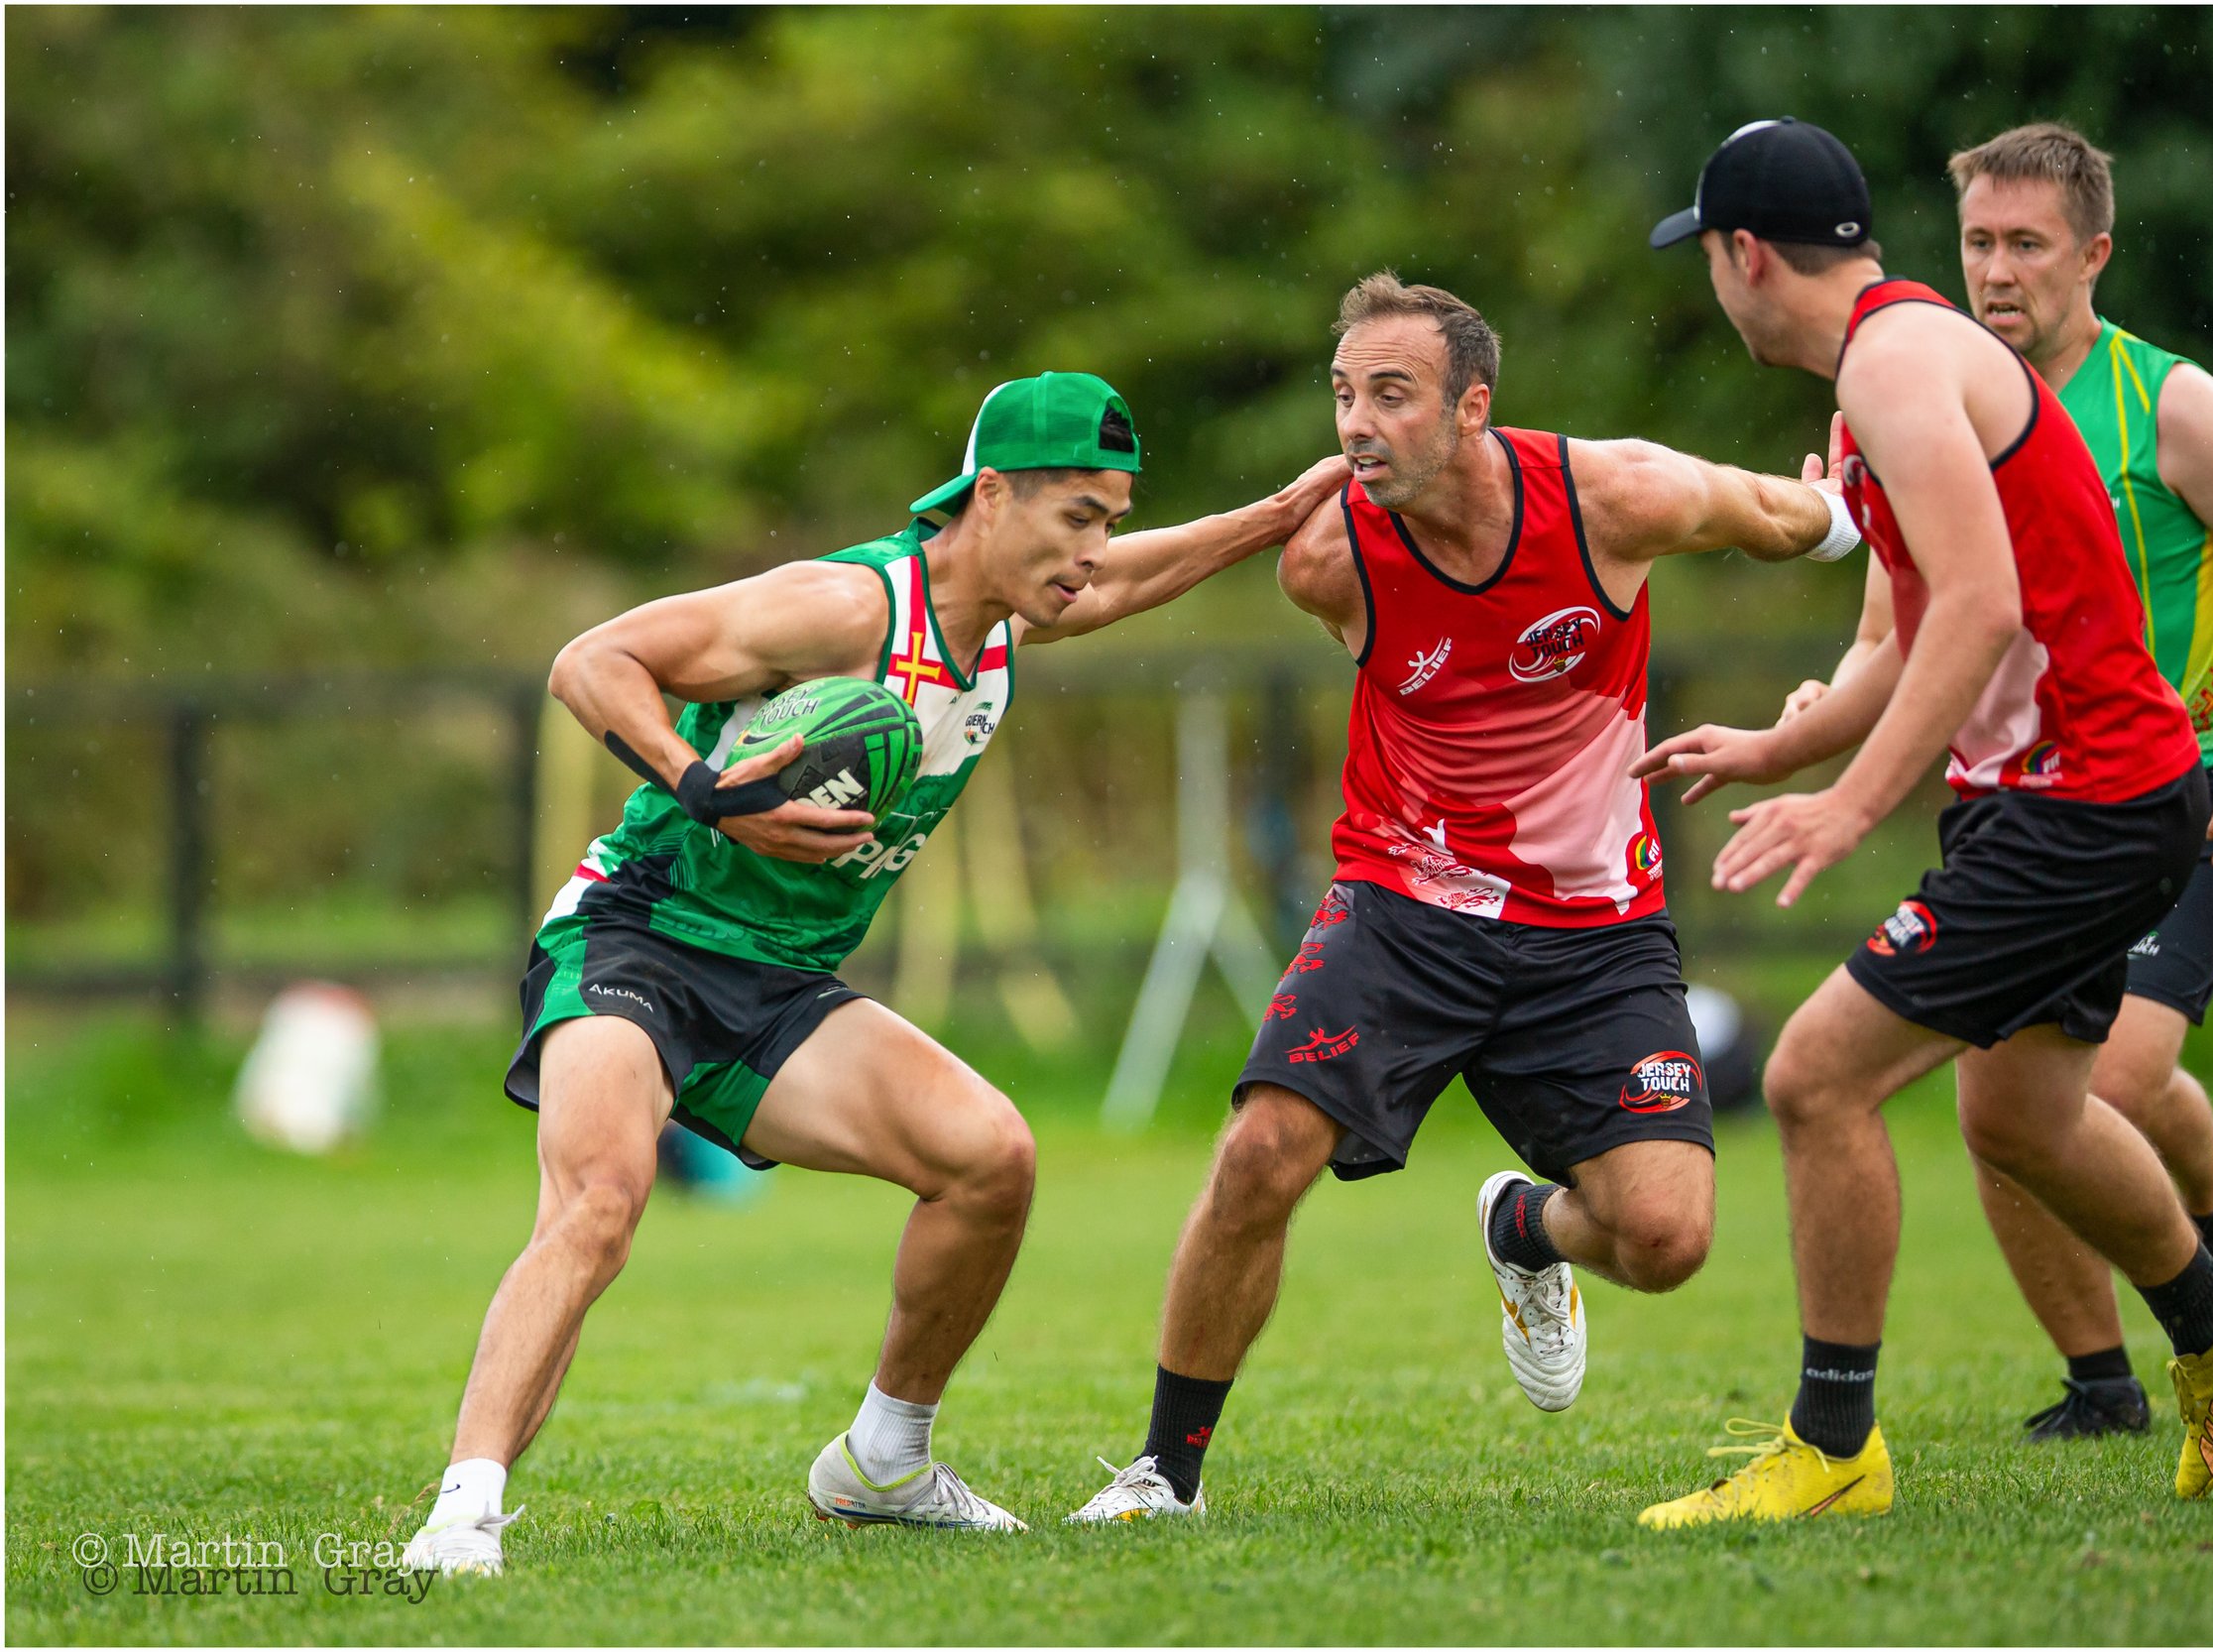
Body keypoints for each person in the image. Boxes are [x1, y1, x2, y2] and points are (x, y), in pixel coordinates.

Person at [402, 373, 1346, 1573]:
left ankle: (882, 1462)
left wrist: (1275, 514)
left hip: (782, 982)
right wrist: (709, 792)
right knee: (600, 1198)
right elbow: (593, 660)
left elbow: (1121, 582)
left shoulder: (1012, 616)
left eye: (1110, 517)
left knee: (988, 1157)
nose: (1094, 550)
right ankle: (462, 1514)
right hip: (641, 933)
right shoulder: (844, 607)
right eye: (1077, 517)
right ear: (990, 495)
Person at [1066, 272, 1864, 1523]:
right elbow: (1091, 595)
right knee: (1262, 1151)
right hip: (1404, 904)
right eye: (1343, 394)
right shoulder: (1331, 558)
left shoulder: (1611, 497)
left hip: (1596, 930)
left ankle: (1527, 1232)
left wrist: (1844, 514)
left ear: (1473, 406)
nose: (1357, 423)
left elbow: (1782, 517)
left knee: (1667, 1240)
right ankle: (1166, 1471)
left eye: (1392, 393)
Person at [1634, 118, 2213, 1527]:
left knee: (1815, 1074)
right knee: (2017, 1109)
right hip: (2071, 802)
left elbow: (1988, 601)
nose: (1714, 283)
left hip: (2090, 803)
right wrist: (1781, 744)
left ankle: (1834, 1445)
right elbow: (1915, 631)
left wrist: (1851, 803)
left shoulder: (1892, 365)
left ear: (1746, 255)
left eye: (1706, 257)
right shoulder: (1900, 357)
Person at [1777, 122, 2213, 1442]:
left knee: (2097, 1089)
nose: (1995, 271)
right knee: (2012, 1100)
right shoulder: (1930, 392)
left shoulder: (2170, 406)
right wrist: (1807, 719)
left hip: (2188, 782)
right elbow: (1891, 629)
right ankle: (2113, 1373)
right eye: (1977, 242)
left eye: (2026, 244)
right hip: (2031, 794)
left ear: (2093, 254)